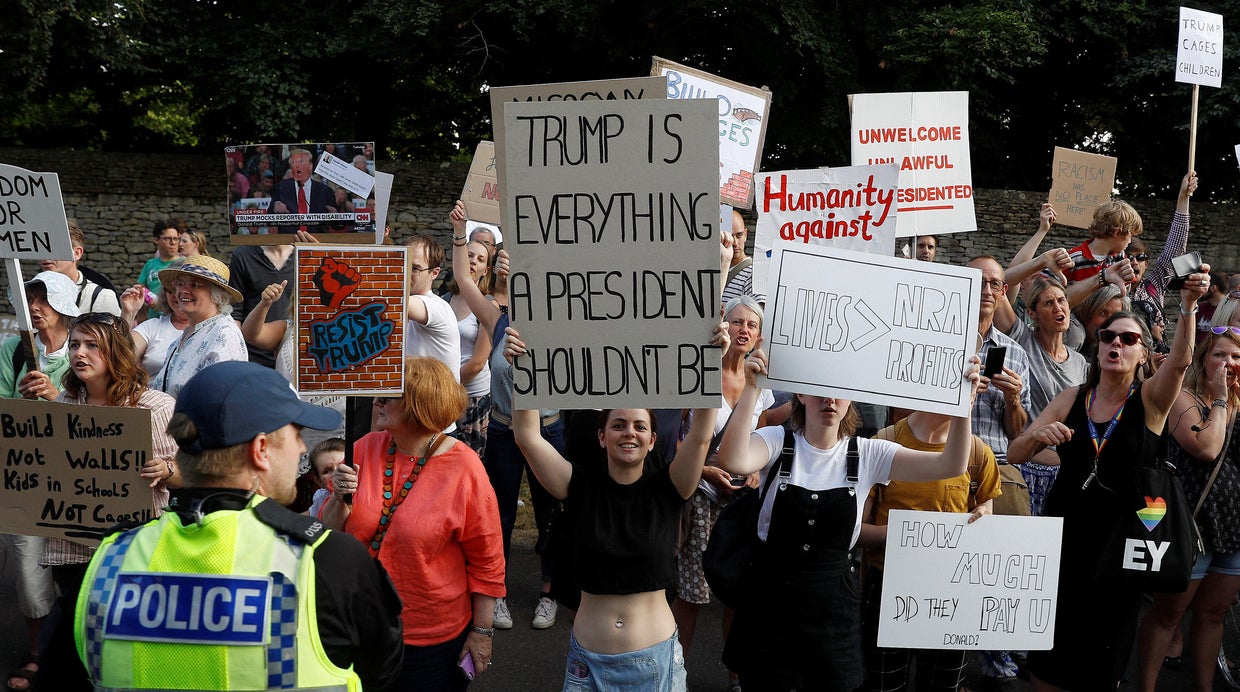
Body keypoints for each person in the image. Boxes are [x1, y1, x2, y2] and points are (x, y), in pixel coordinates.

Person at [73, 360, 404, 690]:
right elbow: (380, 670)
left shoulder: (111, 558)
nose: (302, 447)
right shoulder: (325, 558)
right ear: (260, 450)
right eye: (297, 434)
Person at [713, 345, 980, 690]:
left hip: (832, 610)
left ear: (851, 400)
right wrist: (752, 387)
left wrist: (962, 407)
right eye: (821, 390)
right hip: (769, 606)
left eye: (840, 393)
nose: (830, 400)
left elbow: (950, 465)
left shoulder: (868, 453)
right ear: (801, 393)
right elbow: (733, 460)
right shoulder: (776, 441)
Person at [1007, 264, 1211, 691]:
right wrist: (1038, 435)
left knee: (1102, 657)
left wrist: (1189, 306)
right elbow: (1014, 451)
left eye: (1128, 339)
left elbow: (1180, 362)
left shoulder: (1151, 400)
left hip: (1123, 542)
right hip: (1066, 538)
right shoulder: (1070, 397)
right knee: (1050, 653)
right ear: (1097, 346)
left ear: (1141, 352)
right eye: (1107, 337)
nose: (1115, 343)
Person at [505, 320, 729, 691]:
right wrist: (522, 369)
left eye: (640, 426)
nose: (629, 433)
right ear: (601, 435)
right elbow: (527, 436)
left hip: (655, 666)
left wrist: (711, 364)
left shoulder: (671, 486)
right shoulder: (576, 485)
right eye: (619, 424)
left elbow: (702, 434)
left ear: (653, 439)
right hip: (586, 667)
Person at [324, 357, 504, 690]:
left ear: (418, 405)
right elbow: (330, 535)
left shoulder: (464, 468)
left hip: (431, 641)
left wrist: (482, 632)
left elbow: (487, 561)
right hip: (361, 626)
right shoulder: (361, 450)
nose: (376, 400)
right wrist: (337, 498)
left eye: (388, 395)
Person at [35, 312, 179, 692]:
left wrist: (165, 469)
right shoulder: (61, 406)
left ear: (116, 352)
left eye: (92, 345)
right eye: (75, 344)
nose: (80, 353)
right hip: (71, 549)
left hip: (134, 550)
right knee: (78, 637)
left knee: (125, 641)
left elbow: (187, 475)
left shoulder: (156, 406)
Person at [449, 200, 562, 630]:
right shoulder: (498, 320)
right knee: (499, 514)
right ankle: (496, 592)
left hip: (550, 431)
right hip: (502, 429)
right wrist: (460, 231)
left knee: (551, 512)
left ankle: (549, 592)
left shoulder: (560, 322)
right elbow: (463, 277)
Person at [671, 294, 781, 691]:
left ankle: (736, 675)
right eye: (738, 322)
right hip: (700, 497)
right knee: (692, 593)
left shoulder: (760, 384)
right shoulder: (698, 370)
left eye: (751, 326)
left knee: (737, 591)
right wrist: (705, 469)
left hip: (740, 505)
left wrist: (755, 473)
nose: (744, 330)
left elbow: (761, 434)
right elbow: (674, 441)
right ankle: (676, 671)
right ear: (724, 323)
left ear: (759, 336)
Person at [859, 407, 1000, 692]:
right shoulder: (883, 444)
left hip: (949, 594)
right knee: (882, 685)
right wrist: (900, 535)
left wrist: (983, 516)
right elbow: (857, 530)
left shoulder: (977, 454)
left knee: (943, 685)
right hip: (887, 586)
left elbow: (985, 508)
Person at [1136, 328, 1240, 692]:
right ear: (1202, 360)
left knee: (1212, 615)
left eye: (1236, 358)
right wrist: (1223, 398)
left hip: (1232, 526)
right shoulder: (1184, 398)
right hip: (1189, 523)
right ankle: (1146, 686)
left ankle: (1204, 687)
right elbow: (1206, 448)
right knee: (1169, 613)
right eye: (1220, 356)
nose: (1229, 364)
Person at [0, 270, 81, 692]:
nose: (35, 307)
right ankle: (37, 652)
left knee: (77, 571)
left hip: (78, 481)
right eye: (29, 299)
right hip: (26, 479)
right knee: (29, 571)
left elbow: (106, 409)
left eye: (44, 300)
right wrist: (21, 399)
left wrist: (56, 397)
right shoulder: (13, 351)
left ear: (65, 305)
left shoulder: (85, 348)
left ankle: (78, 648)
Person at [994, 277, 1089, 515]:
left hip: (1066, 476)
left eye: (1062, 300)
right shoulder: (1022, 339)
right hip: (1026, 470)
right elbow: (1001, 283)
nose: (1058, 307)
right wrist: (1041, 252)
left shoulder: (1081, 364)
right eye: (1048, 303)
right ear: (1032, 313)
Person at [153, 255, 248, 397]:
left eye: (194, 285)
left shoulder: (224, 334)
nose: (184, 291)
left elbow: (218, 398)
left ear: (217, 295)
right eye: (180, 284)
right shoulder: (188, 334)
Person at [444, 239, 493, 456]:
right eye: (469, 255)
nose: (473, 261)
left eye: (480, 259)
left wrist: (446, 388)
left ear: (486, 270)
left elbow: (478, 363)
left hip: (472, 398)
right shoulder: (444, 300)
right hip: (444, 394)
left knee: (470, 460)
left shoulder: (487, 305)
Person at [403, 235, 462, 382]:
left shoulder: (438, 307)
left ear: (434, 273)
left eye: (414, 268)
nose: (405, 271)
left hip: (436, 401)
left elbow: (400, 302)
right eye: (403, 263)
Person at [229, 243, 295, 368]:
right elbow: (235, 312)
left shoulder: (305, 254)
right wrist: (238, 355)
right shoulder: (243, 256)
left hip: (294, 354)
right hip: (254, 357)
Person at [39, 219, 121, 316]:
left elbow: (110, 331)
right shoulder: (31, 294)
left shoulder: (101, 297)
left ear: (76, 253)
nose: (45, 256)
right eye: (40, 248)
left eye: (54, 249)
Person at [1063, 199, 1144, 284]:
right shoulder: (1073, 259)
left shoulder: (1121, 257)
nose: (1130, 241)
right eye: (1130, 236)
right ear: (1117, 232)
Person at [121, 278, 189, 377]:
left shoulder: (216, 329)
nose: (178, 294)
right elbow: (123, 360)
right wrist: (128, 314)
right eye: (171, 289)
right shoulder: (152, 327)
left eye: (188, 288)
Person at [135, 220, 183, 321]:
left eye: (176, 239)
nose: (173, 243)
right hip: (155, 320)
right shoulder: (150, 264)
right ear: (156, 240)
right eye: (168, 239)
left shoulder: (184, 263)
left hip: (179, 319)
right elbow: (140, 288)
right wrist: (151, 300)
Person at [720, 209, 766, 308]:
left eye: (739, 235)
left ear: (745, 234)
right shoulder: (711, 270)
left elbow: (757, 316)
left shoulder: (754, 274)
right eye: (730, 236)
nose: (735, 243)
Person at [306, 437, 345, 519]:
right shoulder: (321, 497)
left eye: (342, 465)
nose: (336, 473)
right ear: (319, 481)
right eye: (326, 471)